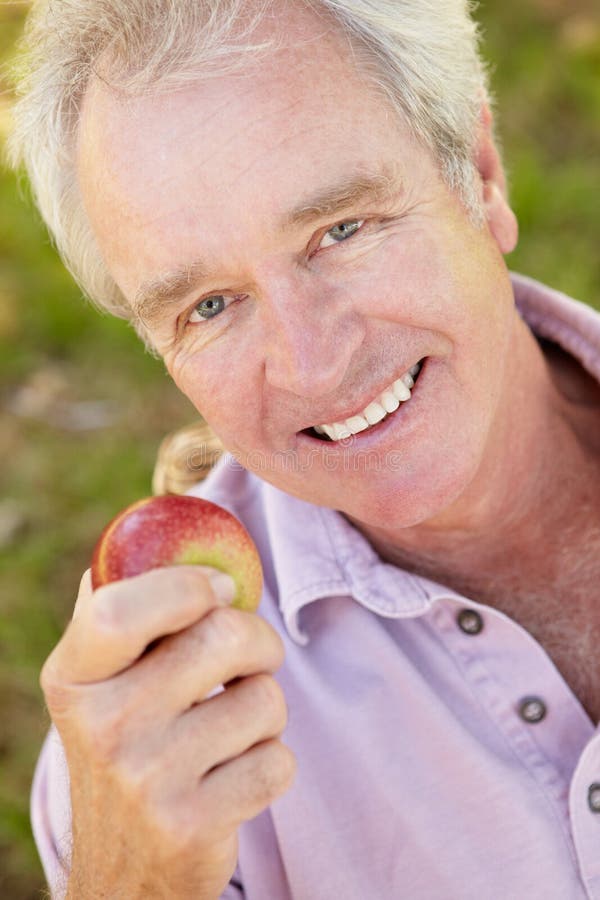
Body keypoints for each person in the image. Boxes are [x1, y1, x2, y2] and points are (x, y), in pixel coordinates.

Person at [8, 0, 600, 897]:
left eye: (342, 230)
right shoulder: (154, 769)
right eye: (209, 306)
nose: (314, 364)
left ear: (479, 176)